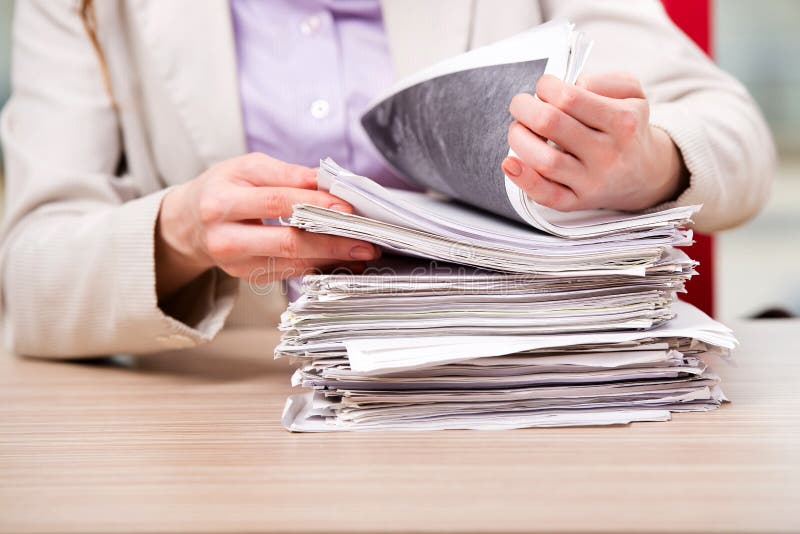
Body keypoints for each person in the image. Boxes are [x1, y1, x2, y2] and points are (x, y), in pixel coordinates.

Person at [0, 0, 775, 358]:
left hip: (510, 387)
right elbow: (32, 275)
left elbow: (739, 140)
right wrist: (176, 231)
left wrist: (646, 161)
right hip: (231, 425)